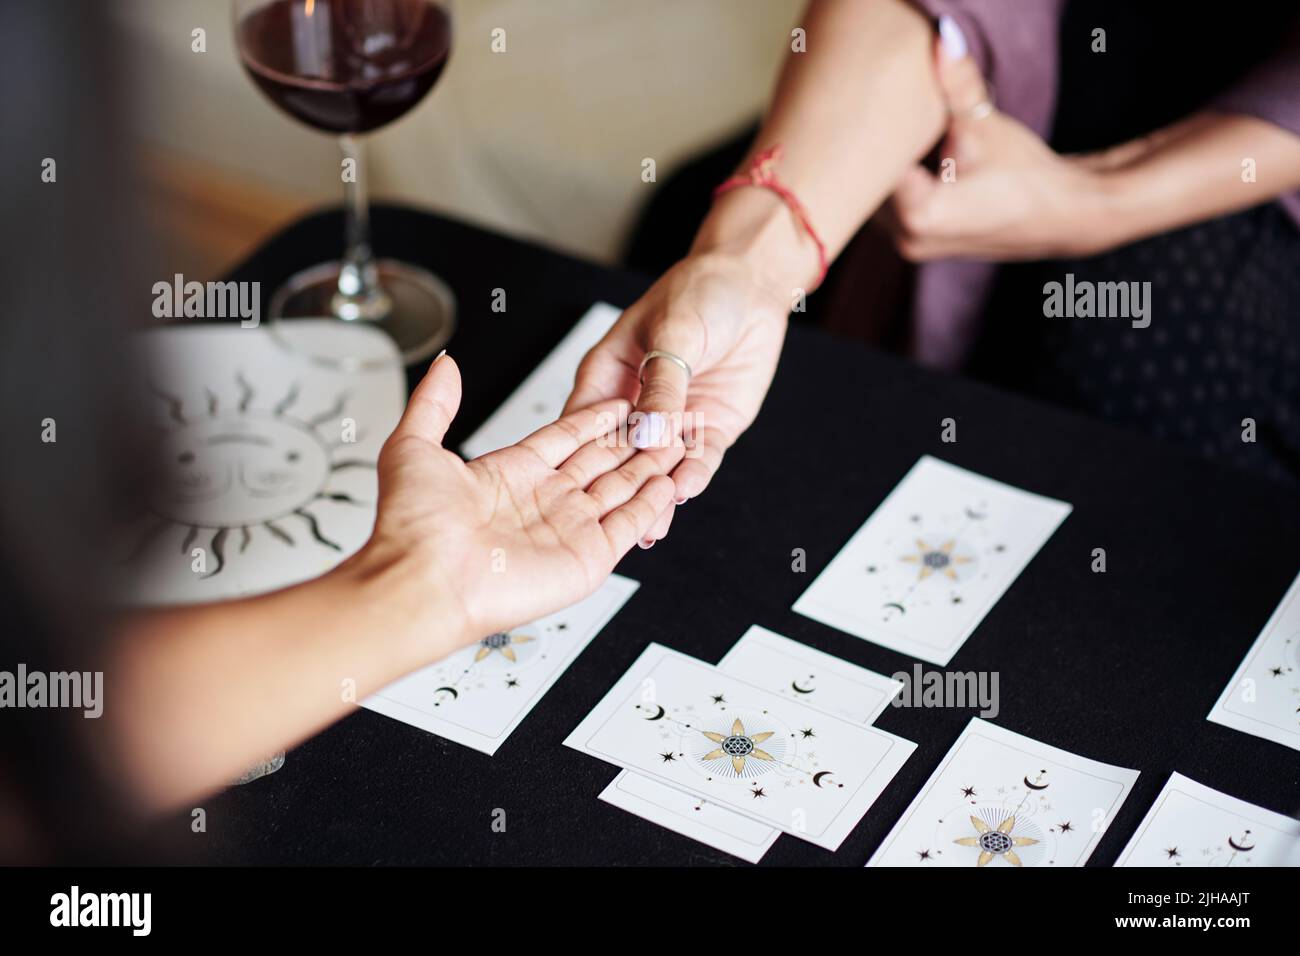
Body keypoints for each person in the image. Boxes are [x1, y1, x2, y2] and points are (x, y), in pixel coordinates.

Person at [567, 0, 1300, 536]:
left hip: (1264, 162)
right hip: (1044, 55)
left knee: (1132, 363)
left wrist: (1099, 201)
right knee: (686, 223)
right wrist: (754, 263)